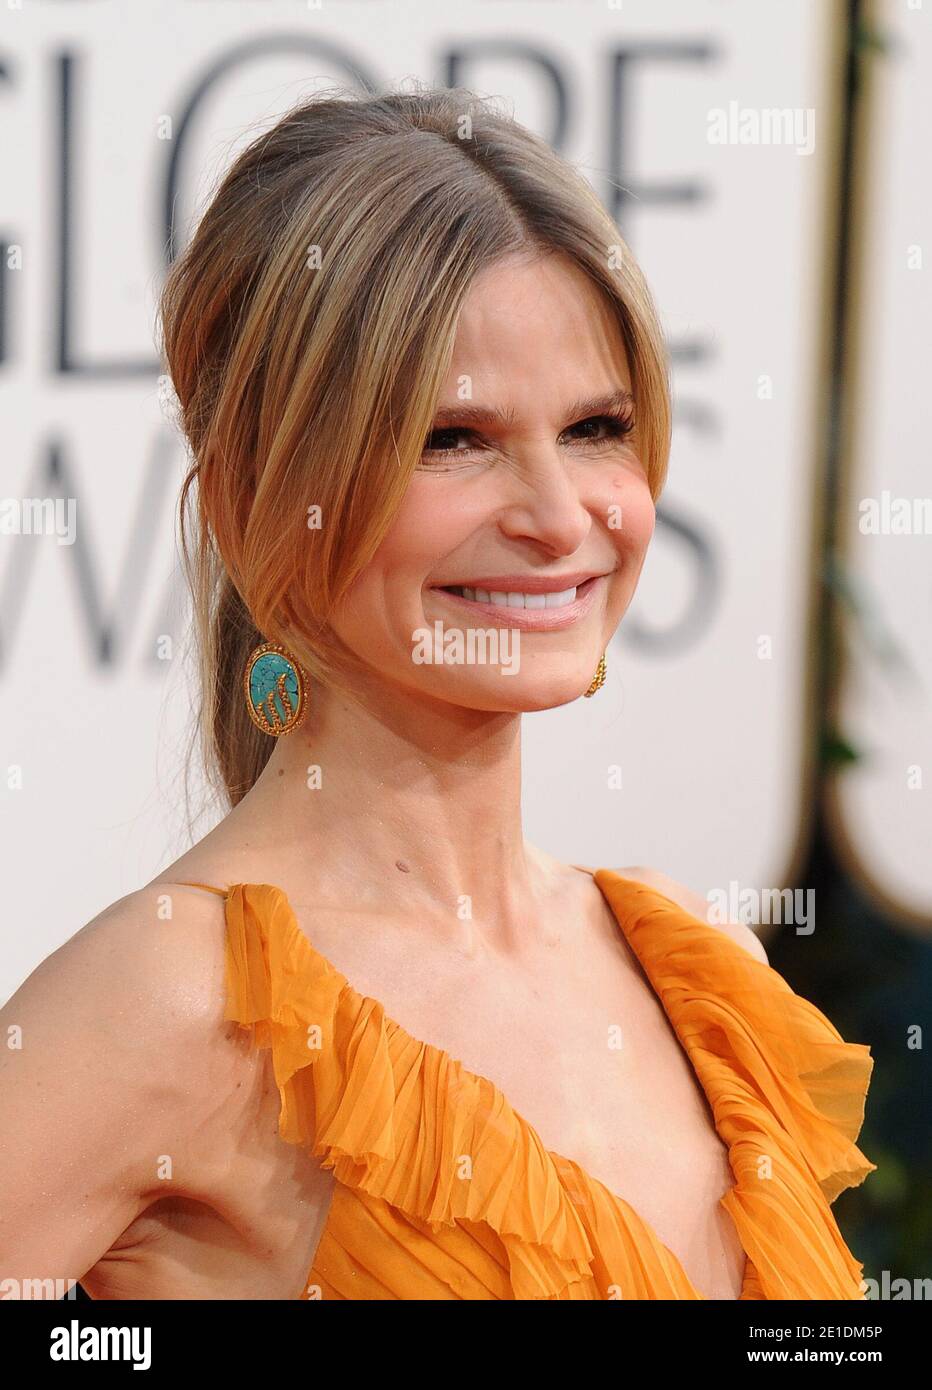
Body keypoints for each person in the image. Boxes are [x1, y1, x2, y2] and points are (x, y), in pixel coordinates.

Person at [0, 85, 874, 1301]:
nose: (561, 516)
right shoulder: (171, 999)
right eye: (451, 437)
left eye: (596, 426)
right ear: (259, 499)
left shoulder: (693, 971)